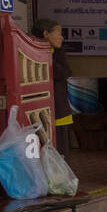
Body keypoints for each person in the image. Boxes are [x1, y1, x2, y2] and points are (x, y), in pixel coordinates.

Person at [35, 19, 72, 159]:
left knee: (62, 149)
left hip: (59, 109)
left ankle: (63, 177)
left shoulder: (57, 53)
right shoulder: (32, 52)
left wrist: (49, 56)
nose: (61, 37)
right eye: (58, 33)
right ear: (46, 34)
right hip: (39, 109)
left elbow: (64, 73)